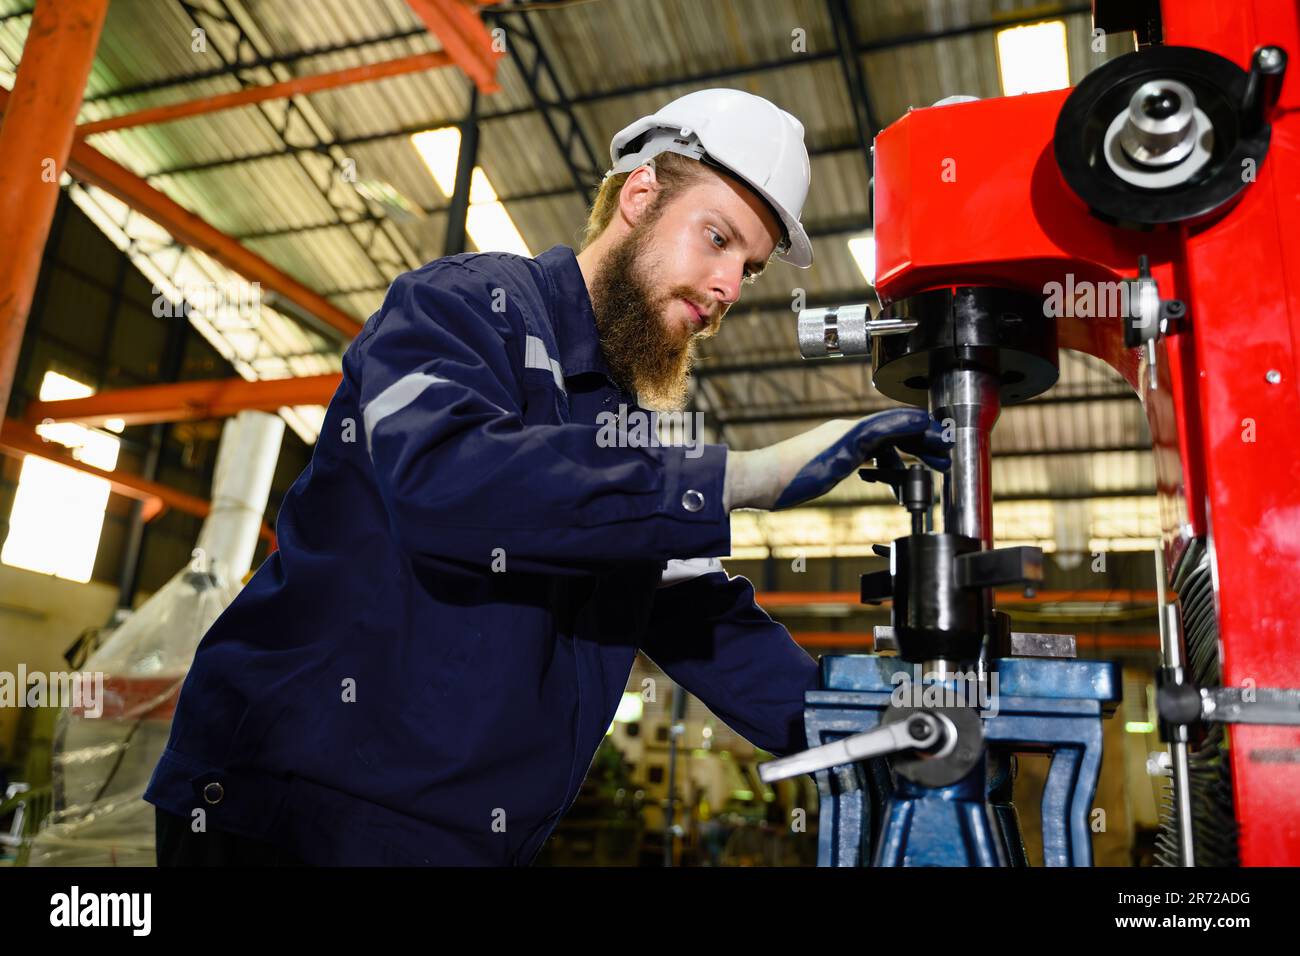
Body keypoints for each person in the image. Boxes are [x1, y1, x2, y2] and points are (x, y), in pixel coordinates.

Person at [146, 88, 949, 866]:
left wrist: (874, 733)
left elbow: (700, 619)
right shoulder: (461, 307)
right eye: (717, 238)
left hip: (460, 843)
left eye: (750, 268)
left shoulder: (626, 433)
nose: (728, 288)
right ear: (640, 195)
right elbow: (447, 482)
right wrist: (741, 478)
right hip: (294, 815)